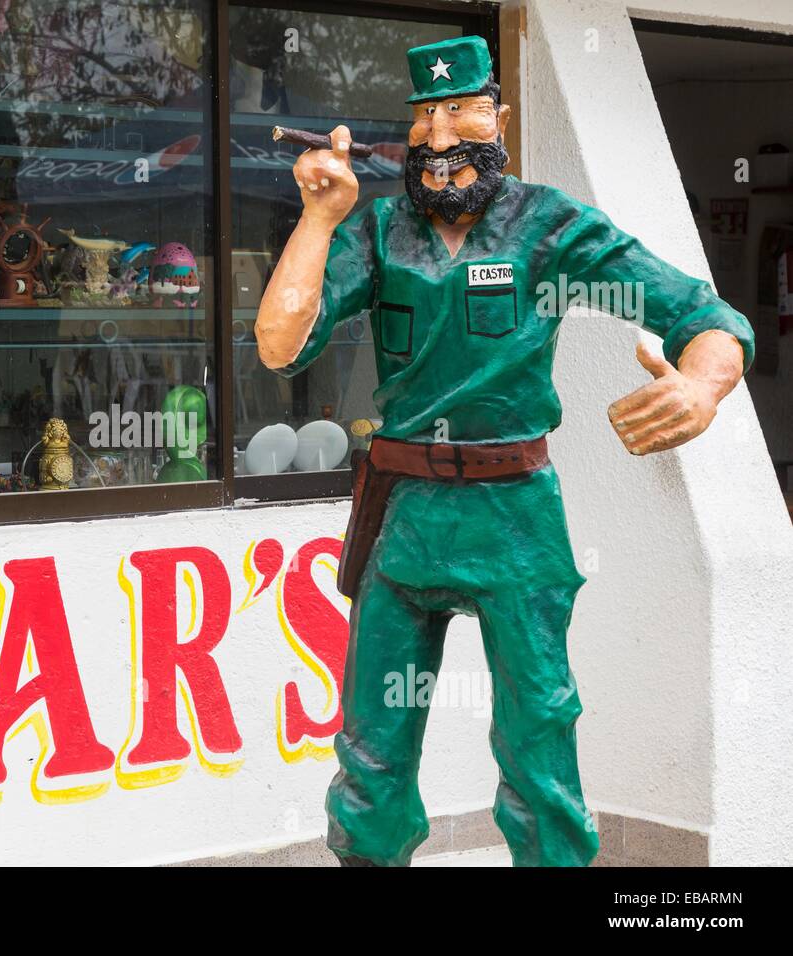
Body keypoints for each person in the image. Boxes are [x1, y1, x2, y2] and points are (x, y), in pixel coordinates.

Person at [255, 35, 753, 867]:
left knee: (539, 735)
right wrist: (318, 217)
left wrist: (702, 383)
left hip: (515, 517)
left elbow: (700, 312)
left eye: (460, 111)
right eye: (424, 118)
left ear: (501, 116)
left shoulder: (550, 227)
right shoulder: (379, 230)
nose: (441, 138)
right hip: (405, 517)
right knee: (371, 749)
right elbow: (278, 344)